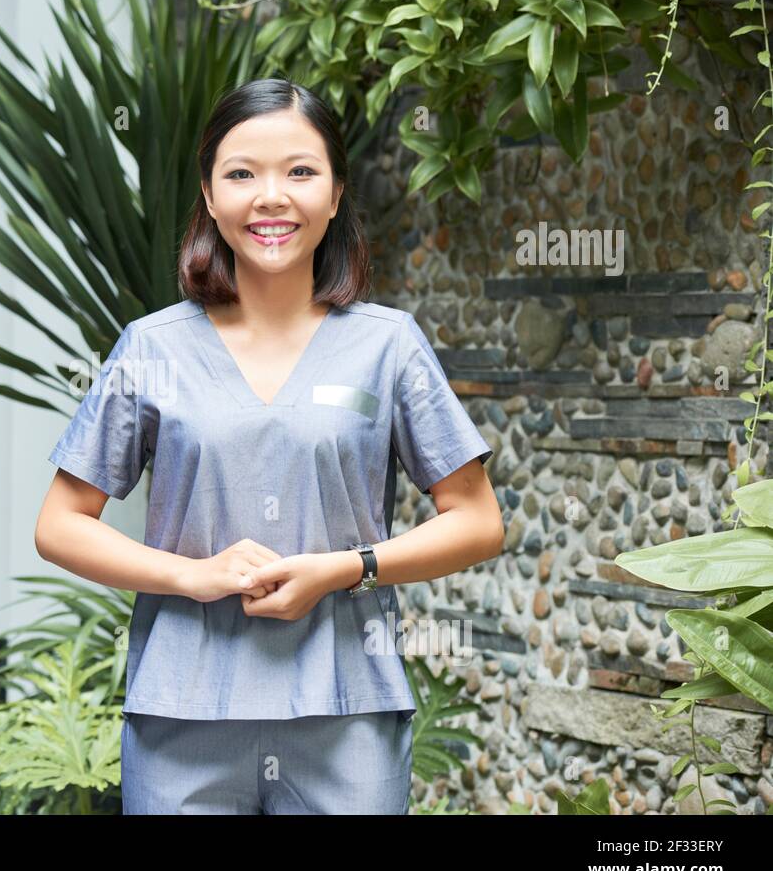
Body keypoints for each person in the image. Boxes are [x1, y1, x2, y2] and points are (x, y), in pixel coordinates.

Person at [33, 77, 504, 814]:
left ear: (338, 192)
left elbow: (478, 520)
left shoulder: (390, 347)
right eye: (242, 173)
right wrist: (195, 576)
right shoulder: (151, 347)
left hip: (346, 712)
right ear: (211, 196)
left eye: (300, 171)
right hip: (181, 716)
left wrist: (349, 568)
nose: (271, 197)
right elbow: (58, 525)